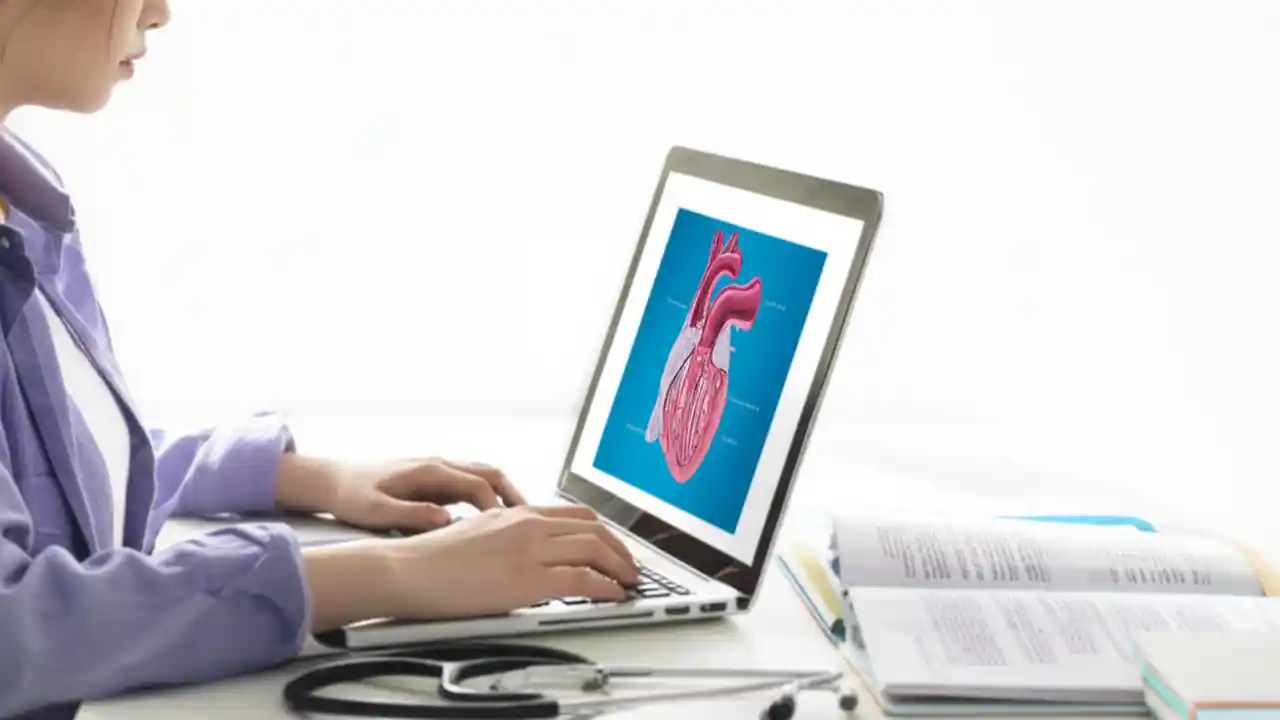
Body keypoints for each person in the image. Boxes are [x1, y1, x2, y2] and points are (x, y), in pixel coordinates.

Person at [0, 2, 640, 717]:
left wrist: (307, 478)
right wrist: (395, 573)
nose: (160, 12)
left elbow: (66, 483)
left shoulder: (23, 200)